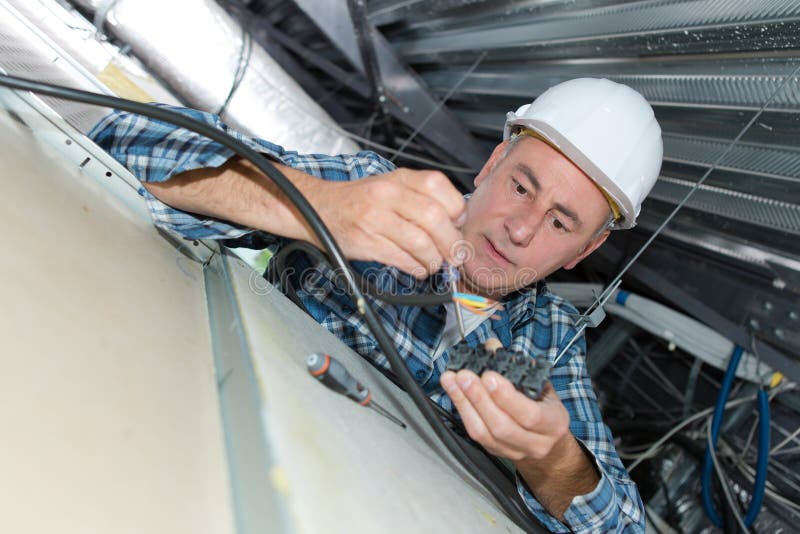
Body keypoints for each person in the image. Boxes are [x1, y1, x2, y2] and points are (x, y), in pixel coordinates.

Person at [90, 77, 662, 532]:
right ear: (491, 165)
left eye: (560, 222)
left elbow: (624, 526)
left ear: (583, 250)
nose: (520, 229)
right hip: (209, 454)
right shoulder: (378, 196)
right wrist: (316, 204)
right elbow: (123, 140)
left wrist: (552, 459)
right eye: (521, 186)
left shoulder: (549, 338)